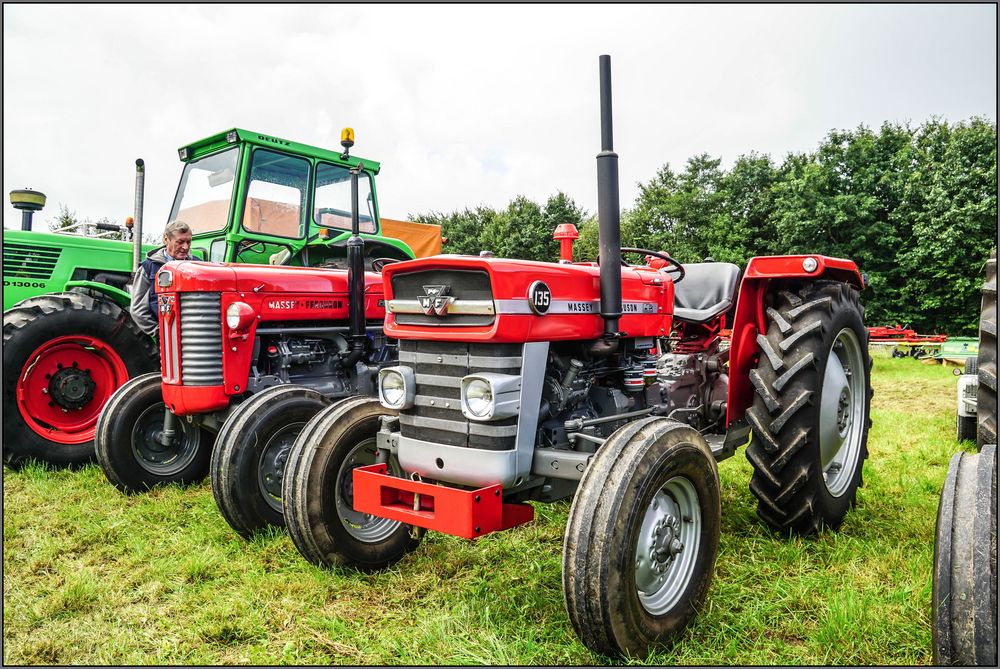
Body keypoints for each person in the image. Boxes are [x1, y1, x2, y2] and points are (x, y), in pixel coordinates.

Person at [129, 220, 193, 337]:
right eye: (180, 242)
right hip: (165, 339)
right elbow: (138, 310)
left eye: (188, 242)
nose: (185, 247)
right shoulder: (149, 268)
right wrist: (160, 333)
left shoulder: (198, 266)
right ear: (166, 239)